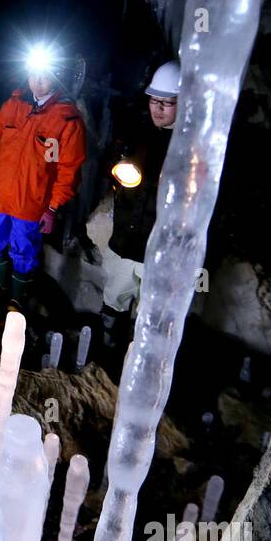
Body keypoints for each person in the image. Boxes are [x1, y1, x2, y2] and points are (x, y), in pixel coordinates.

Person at [0, 47, 87, 311]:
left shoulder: (67, 119)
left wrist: (52, 208)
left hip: (31, 202)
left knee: (23, 254)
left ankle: (16, 301)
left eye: (45, 76)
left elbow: (68, 169)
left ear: (56, 77)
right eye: (33, 74)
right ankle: (4, 288)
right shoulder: (12, 106)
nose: (37, 81)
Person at [97, 60, 179, 338]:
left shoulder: (190, 146)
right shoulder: (138, 131)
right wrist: (118, 166)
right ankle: (105, 350)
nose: (157, 108)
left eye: (166, 103)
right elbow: (113, 166)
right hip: (125, 242)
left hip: (159, 254)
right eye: (154, 101)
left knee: (151, 316)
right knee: (113, 300)